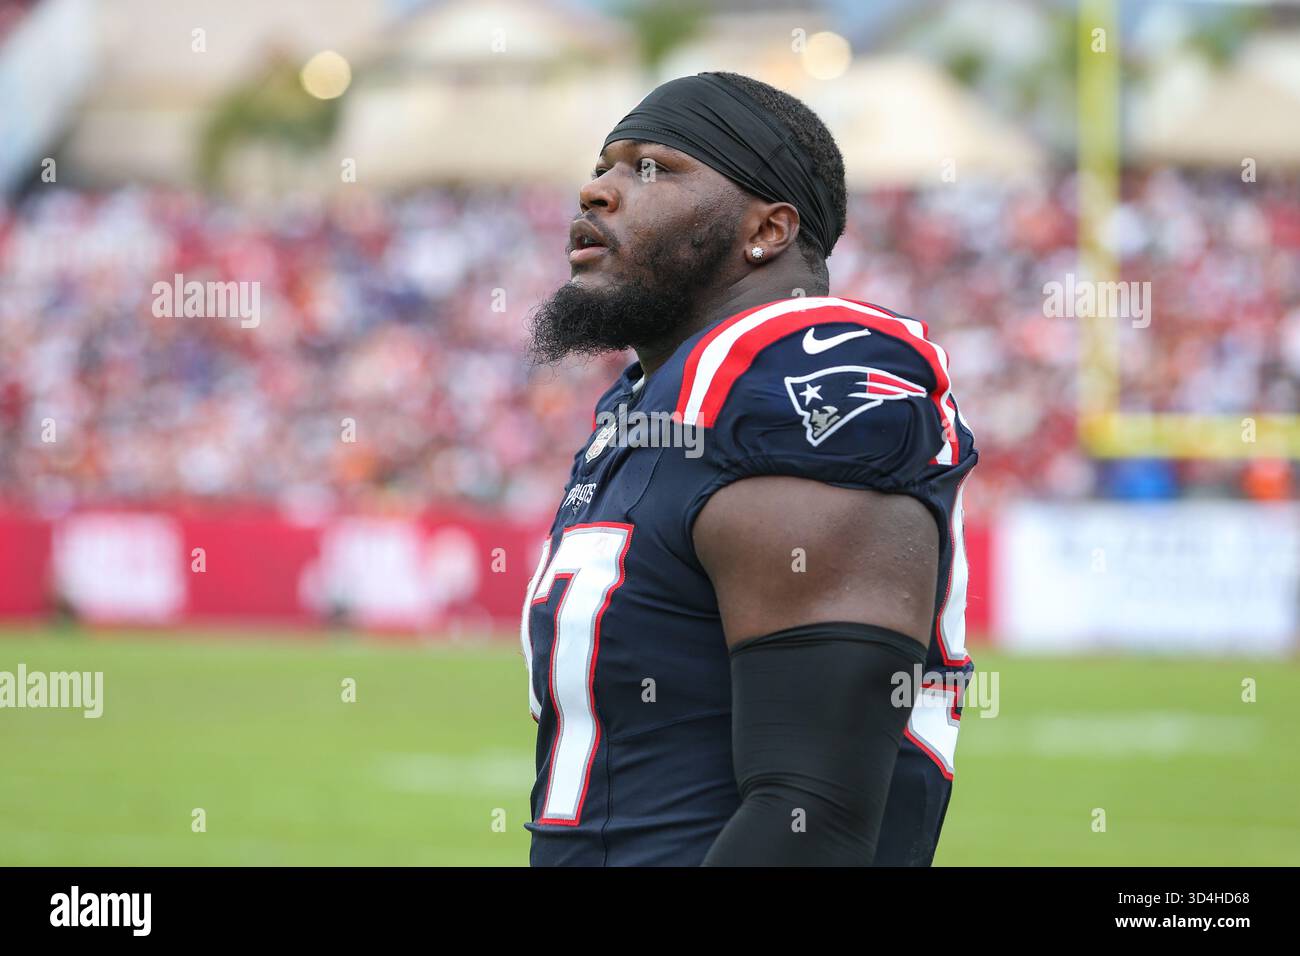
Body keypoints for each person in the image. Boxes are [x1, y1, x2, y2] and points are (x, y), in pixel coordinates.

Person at [521, 71, 977, 866]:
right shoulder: (649, 407)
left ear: (767, 230)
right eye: (604, 164)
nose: (597, 191)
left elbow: (812, 814)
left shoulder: (794, 378)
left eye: (652, 168)